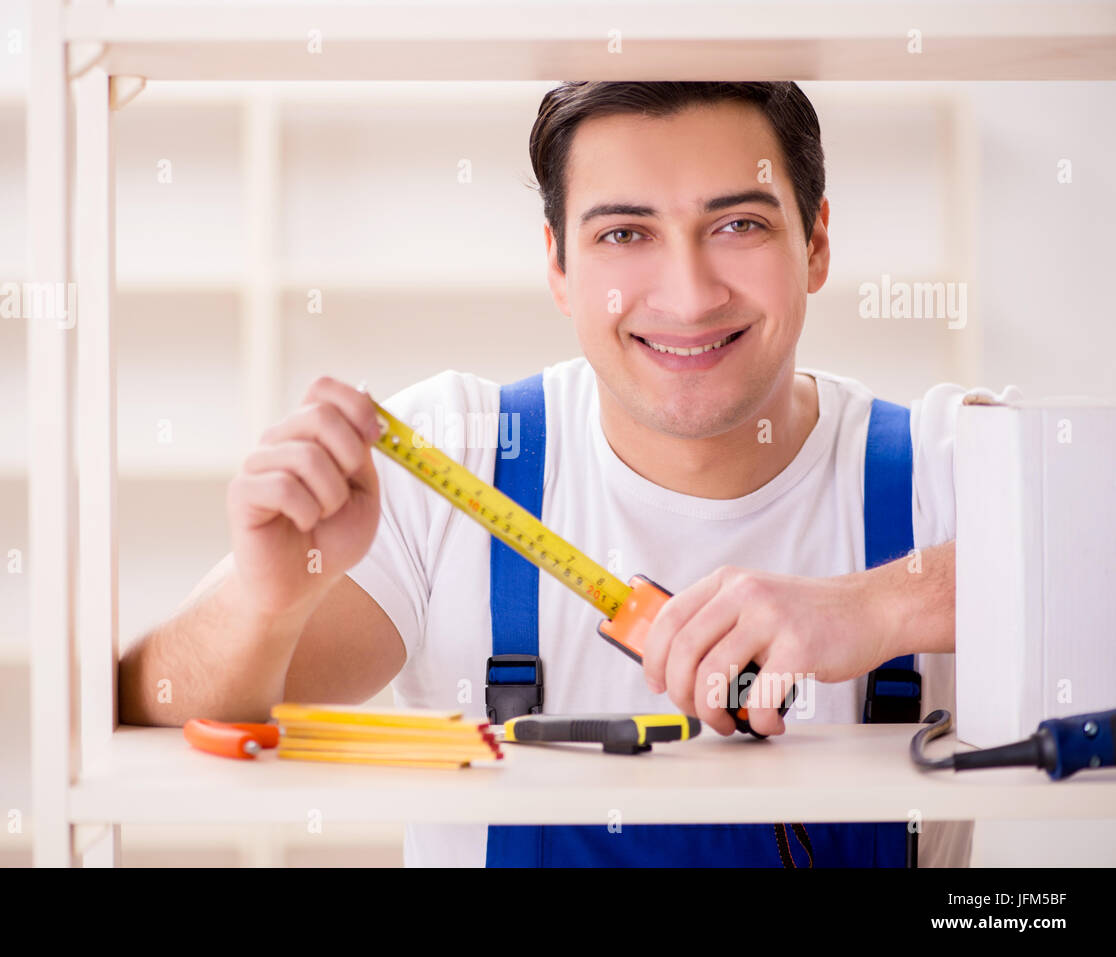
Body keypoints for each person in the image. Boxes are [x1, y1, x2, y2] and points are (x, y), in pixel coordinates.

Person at [120, 81, 1016, 867]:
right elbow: (152, 704)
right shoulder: (454, 452)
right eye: (625, 232)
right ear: (557, 263)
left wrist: (889, 603)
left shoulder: (948, 466)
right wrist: (268, 598)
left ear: (815, 242)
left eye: (738, 223)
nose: (689, 292)